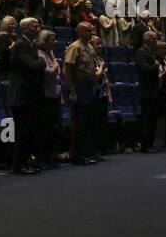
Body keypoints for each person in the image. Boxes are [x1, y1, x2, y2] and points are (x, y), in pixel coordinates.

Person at [6, 17, 46, 174]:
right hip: (20, 94)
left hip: (29, 95)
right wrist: (43, 62)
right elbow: (32, 66)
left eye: (38, 26)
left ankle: (25, 161)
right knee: (22, 132)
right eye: (34, 26)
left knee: (28, 131)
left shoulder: (30, 44)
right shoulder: (21, 44)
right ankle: (19, 165)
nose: (38, 28)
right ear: (24, 29)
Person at [63, 21, 100, 165]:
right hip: (79, 85)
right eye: (87, 31)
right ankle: (78, 155)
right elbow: (67, 70)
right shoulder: (75, 47)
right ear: (79, 32)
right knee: (79, 122)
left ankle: (87, 152)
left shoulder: (90, 47)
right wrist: (71, 89)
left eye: (91, 31)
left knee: (88, 121)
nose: (90, 33)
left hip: (89, 86)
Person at [34, 27, 63, 167]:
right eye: (52, 40)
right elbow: (49, 72)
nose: (55, 42)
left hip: (55, 93)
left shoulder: (50, 54)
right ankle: (42, 158)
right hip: (45, 95)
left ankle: (50, 156)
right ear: (44, 41)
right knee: (44, 129)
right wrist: (56, 65)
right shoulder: (40, 54)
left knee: (53, 128)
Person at [134, 31, 162, 152]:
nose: (156, 41)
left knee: (153, 118)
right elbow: (144, 69)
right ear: (147, 40)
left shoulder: (152, 52)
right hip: (146, 90)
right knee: (147, 118)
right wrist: (155, 66)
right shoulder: (141, 52)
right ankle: (145, 145)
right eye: (154, 39)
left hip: (153, 89)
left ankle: (150, 143)